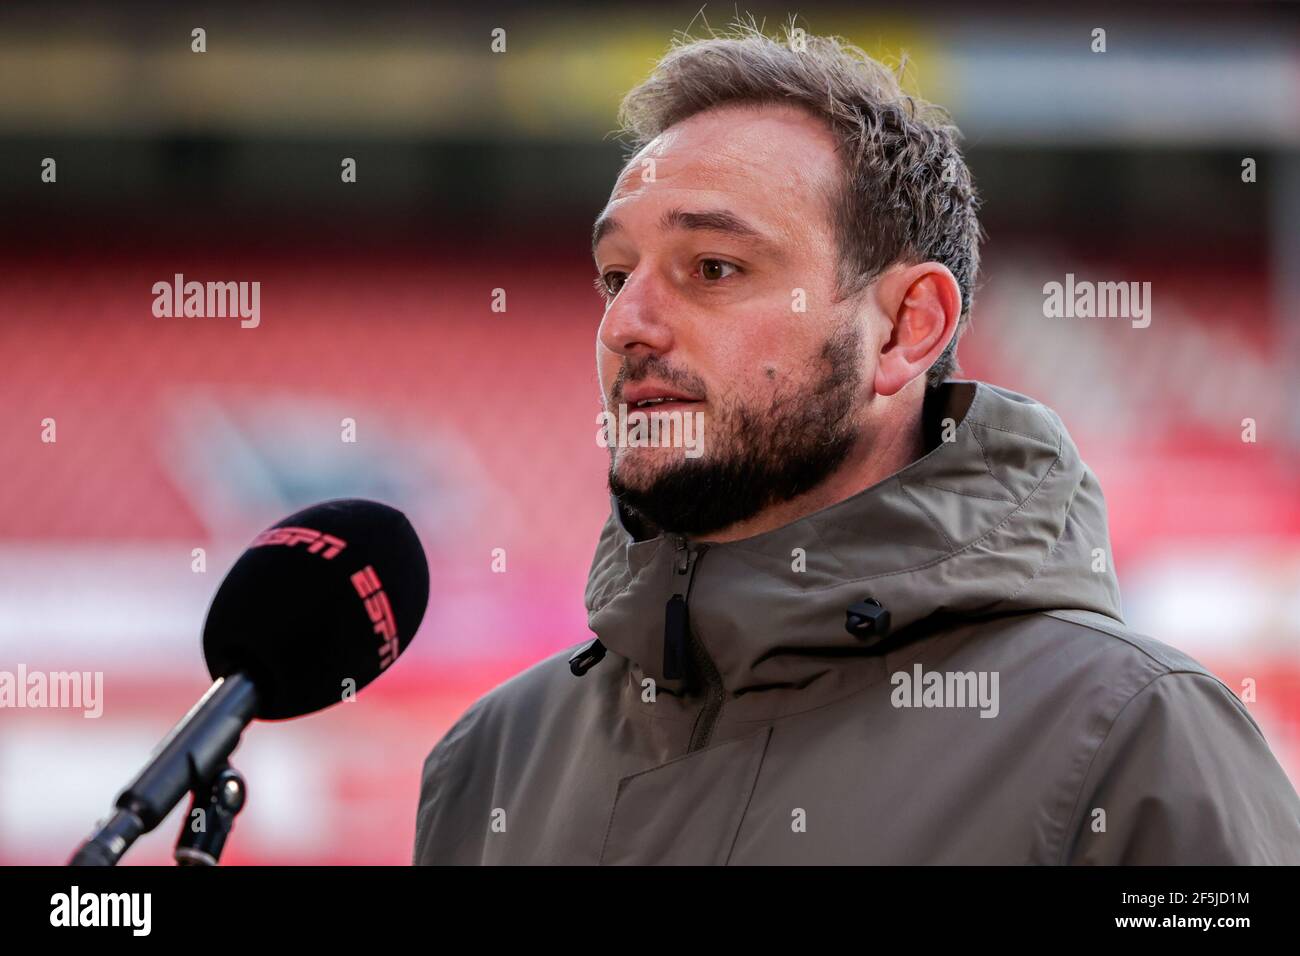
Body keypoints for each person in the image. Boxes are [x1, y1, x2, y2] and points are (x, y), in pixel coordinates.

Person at [414, 24, 1300, 864]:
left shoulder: (1135, 737)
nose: (626, 324)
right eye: (615, 276)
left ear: (903, 330)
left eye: (712, 268)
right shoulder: (491, 759)